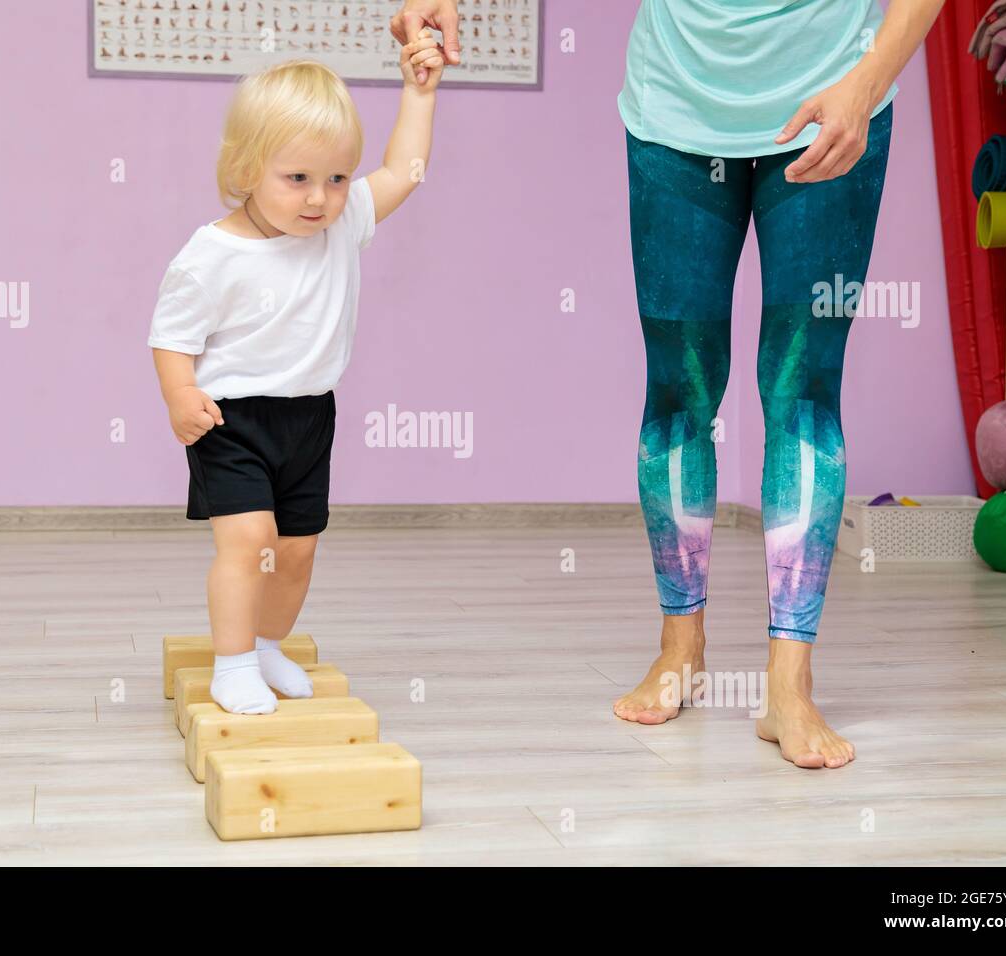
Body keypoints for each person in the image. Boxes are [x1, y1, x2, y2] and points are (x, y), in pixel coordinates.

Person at [393, 0, 946, 768]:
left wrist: (870, 77)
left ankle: (790, 680)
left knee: (805, 391)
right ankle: (681, 644)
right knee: (678, 394)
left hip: (838, 101)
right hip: (674, 118)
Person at [148, 36, 446, 714]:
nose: (320, 199)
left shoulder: (341, 226)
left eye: (337, 179)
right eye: (299, 179)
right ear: (249, 168)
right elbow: (171, 336)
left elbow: (404, 169)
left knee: (296, 552)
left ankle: (265, 645)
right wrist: (179, 396)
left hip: (309, 416)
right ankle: (231, 664)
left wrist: (420, 93)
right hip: (231, 418)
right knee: (247, 541)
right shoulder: (212, 254)